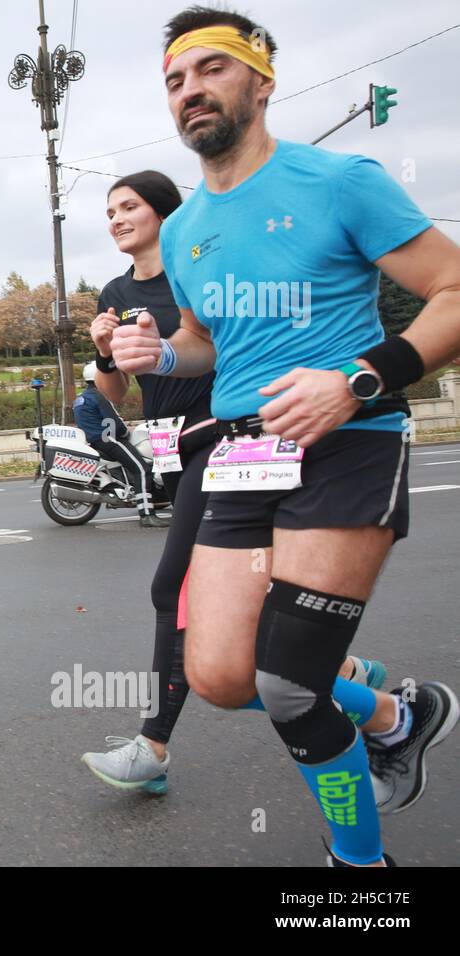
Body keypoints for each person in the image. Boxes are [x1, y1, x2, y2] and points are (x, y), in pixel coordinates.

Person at [110, 5, 460, 866]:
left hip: (350, 440)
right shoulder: (186, 225)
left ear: (260, 82)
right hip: (243, 453)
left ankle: (359, 869)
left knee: (288, 681)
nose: (190, 91)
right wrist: (161, 348)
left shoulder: (341, 180)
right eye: (175, 81)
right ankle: (395, 715)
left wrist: (359, 379)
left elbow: (453, 290)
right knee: (222, 675)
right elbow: (207, 340)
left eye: (211, 70)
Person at [81, 170, 387, 795]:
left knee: (173, 590)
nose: (116, 218)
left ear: (168, 215)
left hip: (223, 440)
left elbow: (232, 346)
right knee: (235, 615)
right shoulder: (114, 290)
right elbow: (113, 391)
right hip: (168, 449)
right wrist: (108, 352)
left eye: (129, 206)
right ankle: (355, 678)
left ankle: (153, 746)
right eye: (109, 210)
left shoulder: (196, 270)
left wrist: (170, 348)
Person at [72, 361, 167, 527]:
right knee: (142, 469)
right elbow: (113, 423)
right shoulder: (100, 397)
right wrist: (125, 433)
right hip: (109, 440)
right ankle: (146, 515)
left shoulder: (81, 398)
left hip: (96, 440)